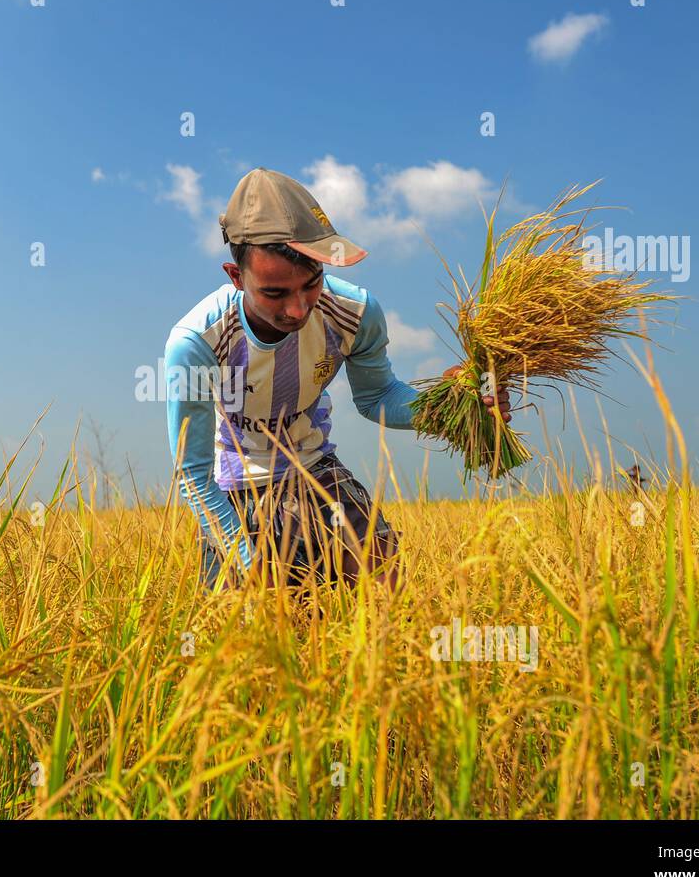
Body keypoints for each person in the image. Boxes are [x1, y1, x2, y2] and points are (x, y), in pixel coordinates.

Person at [163, 167, 511, 591]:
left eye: (311, 285)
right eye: (274, 293)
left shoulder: (355, 313)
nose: (297, 309)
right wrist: (243, 555)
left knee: (386, 589)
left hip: (315, 468)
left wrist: (452, 402)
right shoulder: (197, 341)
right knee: (250, 633)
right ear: (236, 277)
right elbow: (194, 474)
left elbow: (378, 396)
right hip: (233, 492)